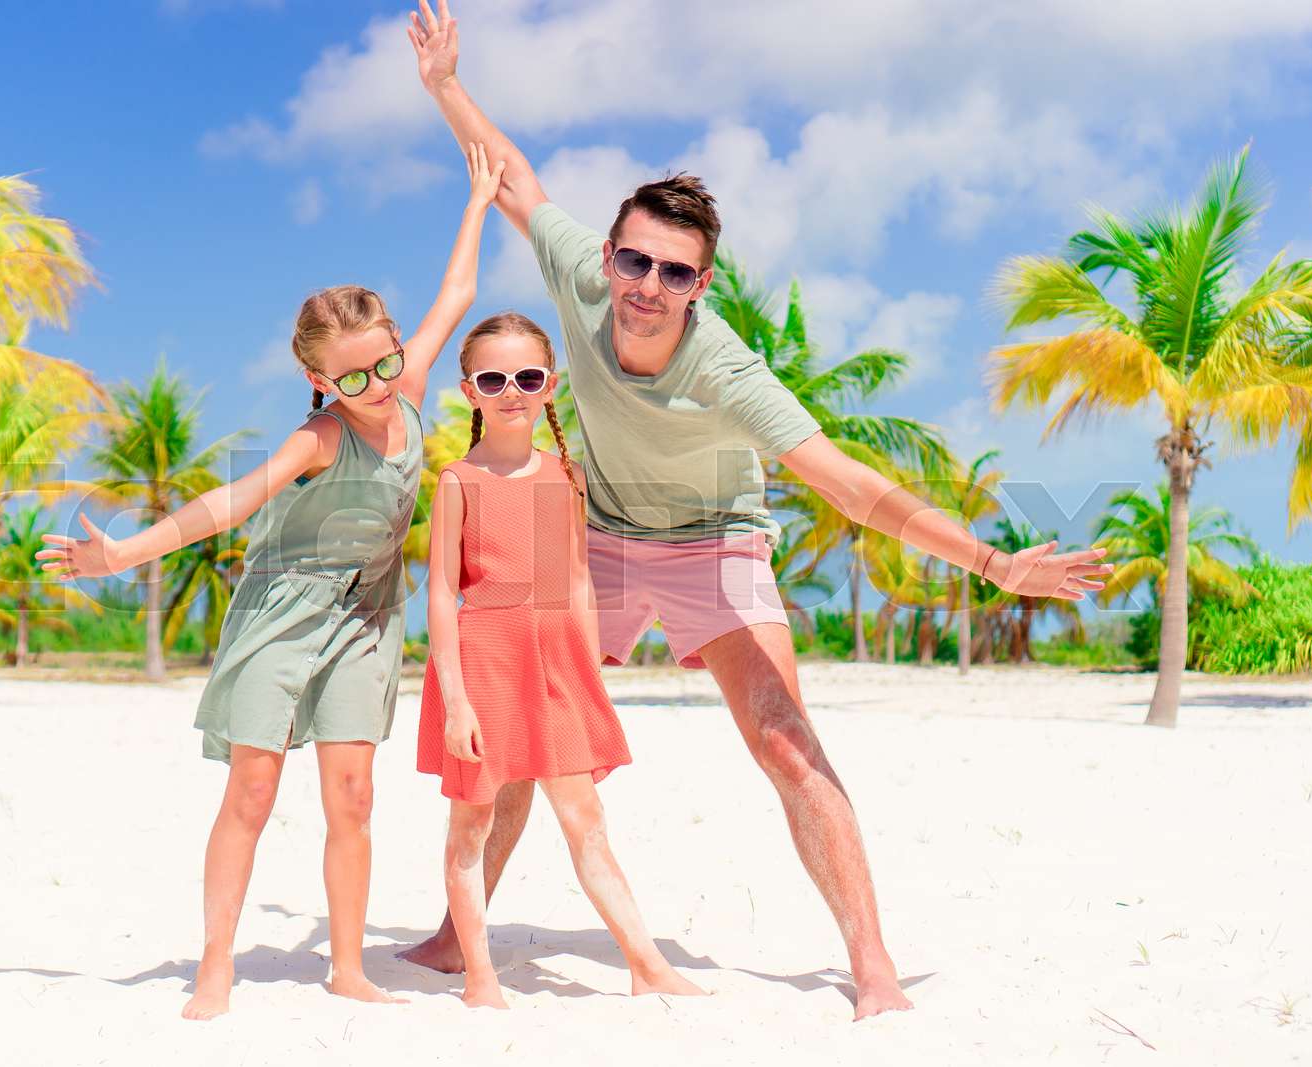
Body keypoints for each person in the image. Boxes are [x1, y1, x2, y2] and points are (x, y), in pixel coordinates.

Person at [397, 2, 1113, 1020]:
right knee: (521, 722)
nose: (648, 285)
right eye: (635, 261)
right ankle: (449, 929)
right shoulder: (579, 278)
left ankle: (871, 966)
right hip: (597, 539)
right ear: (606, 256)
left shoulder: (725, 367)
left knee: (782, 737)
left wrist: (994, 566)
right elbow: (511, 173)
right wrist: (444, 86)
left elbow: (853, 485)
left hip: (716, 547)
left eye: (674, 272)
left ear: (701, 282)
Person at [37, 144, 506, 1019]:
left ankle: (348, 965)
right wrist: (124, 552)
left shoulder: (403, 389)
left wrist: (478, 200)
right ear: (317, 379)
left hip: (367, 619)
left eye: (386, 361)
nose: (373, 385)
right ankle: (215, 965)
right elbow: (227, 502)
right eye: (350, 375)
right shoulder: (318, 438)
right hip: (281, 612)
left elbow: (458, 295)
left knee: (354, 794)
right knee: (252, 788)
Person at [418, 311, 708, 1008]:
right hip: (483, 665)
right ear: (470, 391)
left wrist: (586, 673)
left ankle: (647, 963)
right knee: (472, 823)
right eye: (494, 378)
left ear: (549, 386)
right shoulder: (458, 481)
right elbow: (440, 595)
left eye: (527, 376)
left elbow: (577, 580)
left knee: (586, 819)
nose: (511, 389)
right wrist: (456, 700)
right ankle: (479, 976)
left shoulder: (565, 478)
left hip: (554, 669)